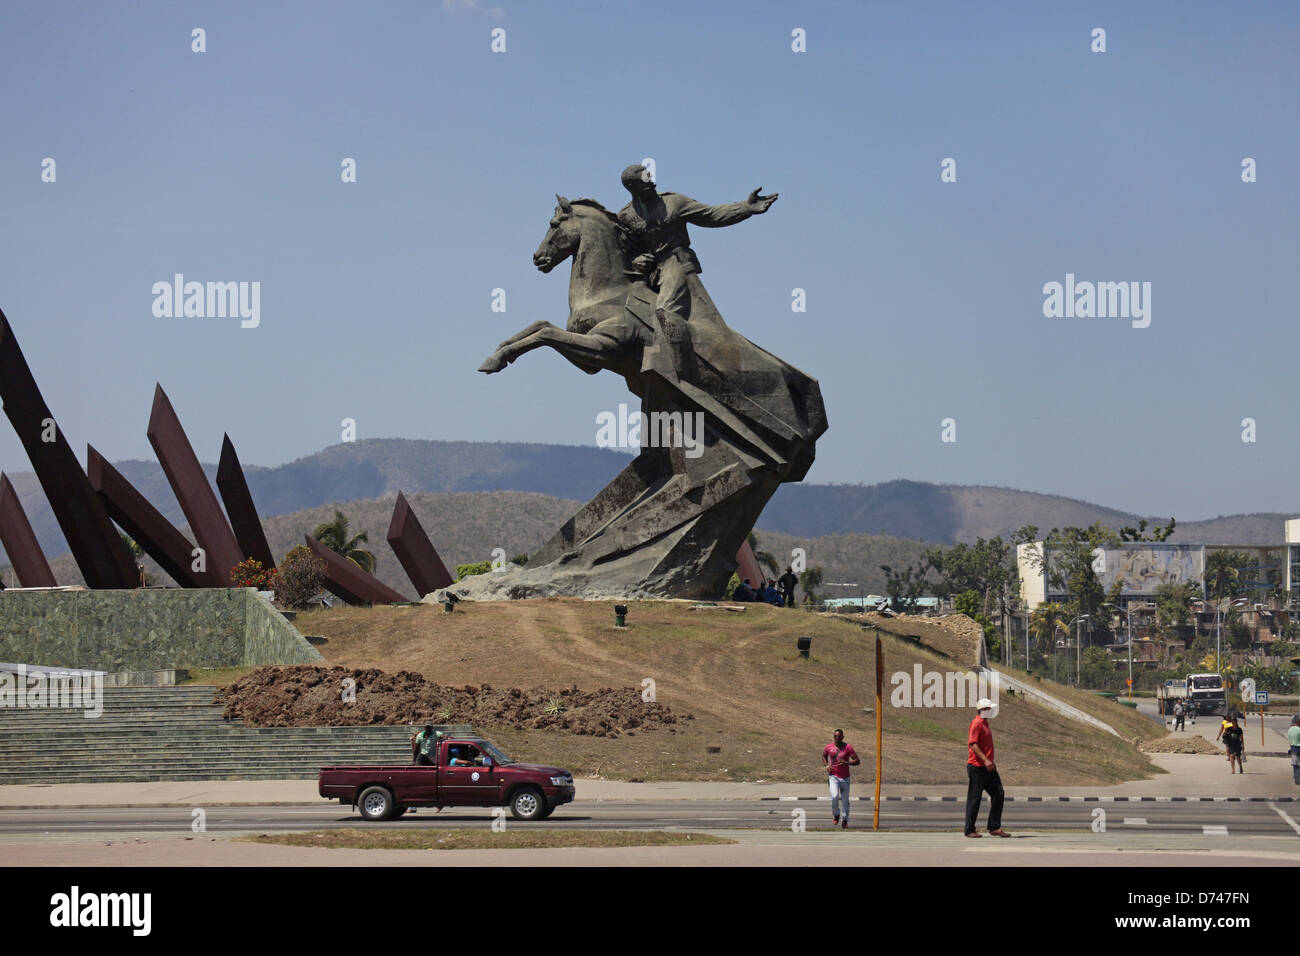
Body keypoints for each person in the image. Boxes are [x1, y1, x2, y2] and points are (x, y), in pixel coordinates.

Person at [617, 164, 778, 328]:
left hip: (675, 263)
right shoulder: (625, 216)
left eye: (650, 177)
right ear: (632, 186)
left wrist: (746, 207)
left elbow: (711, 215)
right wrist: (635, 261)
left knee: (666, 313)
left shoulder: (674, 202)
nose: (652, 182)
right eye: (645, 180)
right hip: (648, 274)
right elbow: (623, 253)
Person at [965, 698, 1009, 838]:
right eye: (989, 708)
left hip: (988, 766)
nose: (992, 711)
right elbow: (973, 744)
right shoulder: (977, 723)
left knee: (999, 793)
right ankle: (969, 830)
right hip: (977, 767)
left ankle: (994, 827)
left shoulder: (985, 724)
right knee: (975, 798)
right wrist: (985, 760)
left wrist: (990, 761)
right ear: (983, 710)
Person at [822, 729, 859, 829]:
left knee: (845, 800)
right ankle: (836, 814)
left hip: (845, 778)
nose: (837, 738)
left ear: (842, 737)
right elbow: (824, 756)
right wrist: (826, 765)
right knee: (834, 796)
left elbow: (857, 761)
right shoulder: (828, 747)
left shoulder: (848, 747)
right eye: (835, 736)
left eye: (839, 736)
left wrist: (847, 763)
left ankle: (845, 820)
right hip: (833, 777)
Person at [1288, 715, 1300, 786]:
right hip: (1299, 748)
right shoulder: (1299, 730)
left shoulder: (1290, 730)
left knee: (1295, 765)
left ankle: (1296, 779)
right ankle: (1296, 777)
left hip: (1292, 748)